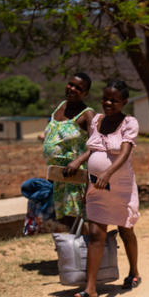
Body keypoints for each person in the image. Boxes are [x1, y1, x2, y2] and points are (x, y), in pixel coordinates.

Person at [65, 79, 141, 297]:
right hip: (96, 187)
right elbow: (93, 149)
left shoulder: (129, 122)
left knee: (126, 230)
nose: (108, 103)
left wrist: (108, 172)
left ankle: (134, 271)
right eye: (105, 99)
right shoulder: (97, 120)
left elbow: (125, 152)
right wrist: (78, 161)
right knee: (96, 235)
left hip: (121, 188)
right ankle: (91, 289)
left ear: (124, 102)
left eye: (114, 100)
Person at [42, 73, 95, 227]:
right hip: (56, 176)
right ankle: (72, 251)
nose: (72, 89)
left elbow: (98, 145)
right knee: (61, 222)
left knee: (74, 222)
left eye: (78, 88)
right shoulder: (60, 107)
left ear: (85, 94)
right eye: (70, 84)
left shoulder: (87, 114)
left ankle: (87, 250)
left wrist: (77, 162)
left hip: (74, 177)